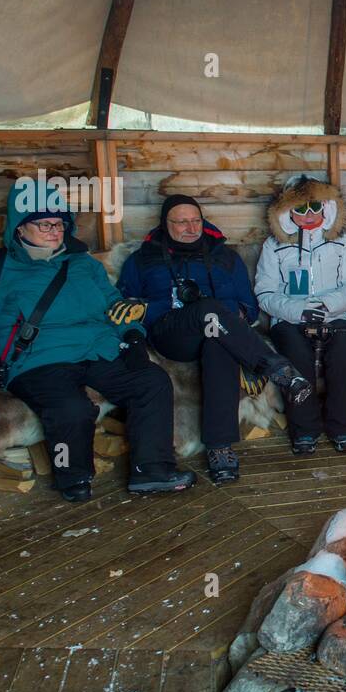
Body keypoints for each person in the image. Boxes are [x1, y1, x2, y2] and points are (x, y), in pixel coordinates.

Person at [0, 181, 195, 502]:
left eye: (60, 223)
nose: (55, 231)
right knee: (71, 407)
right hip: (37, 358)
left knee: (151, 380)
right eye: (44, 223)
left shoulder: (83, 264)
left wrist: (133, 336)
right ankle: (71, 474)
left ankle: (152, 470)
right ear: (19, 227)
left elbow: (115, 305)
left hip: (97, 348)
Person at [117, 194, 313, 483]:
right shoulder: (143, 259)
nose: (191, 228)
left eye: (196, 220)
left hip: (220, 335)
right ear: (165, 224)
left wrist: (226, 317)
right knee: (207, 309)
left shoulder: (225, 257)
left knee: (217, 343)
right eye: (181, 222)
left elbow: (249, 307)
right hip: (172, 334)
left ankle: (220, 449)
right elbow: (128, 306)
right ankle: (278, 369)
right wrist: (173, 306)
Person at [254, 176, 346, 456]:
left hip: (335, 316)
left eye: (314, 207)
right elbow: (265, 292)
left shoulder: (341, 243)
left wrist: (327, 306)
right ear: (287, 211)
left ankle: (342, 428)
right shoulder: (274, 246)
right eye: (300, 209)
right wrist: (298, 311)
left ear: (326, 207)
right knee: (295, 361)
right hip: (290, 319)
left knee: (344, 359)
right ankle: (304, 431)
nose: (308, 215)